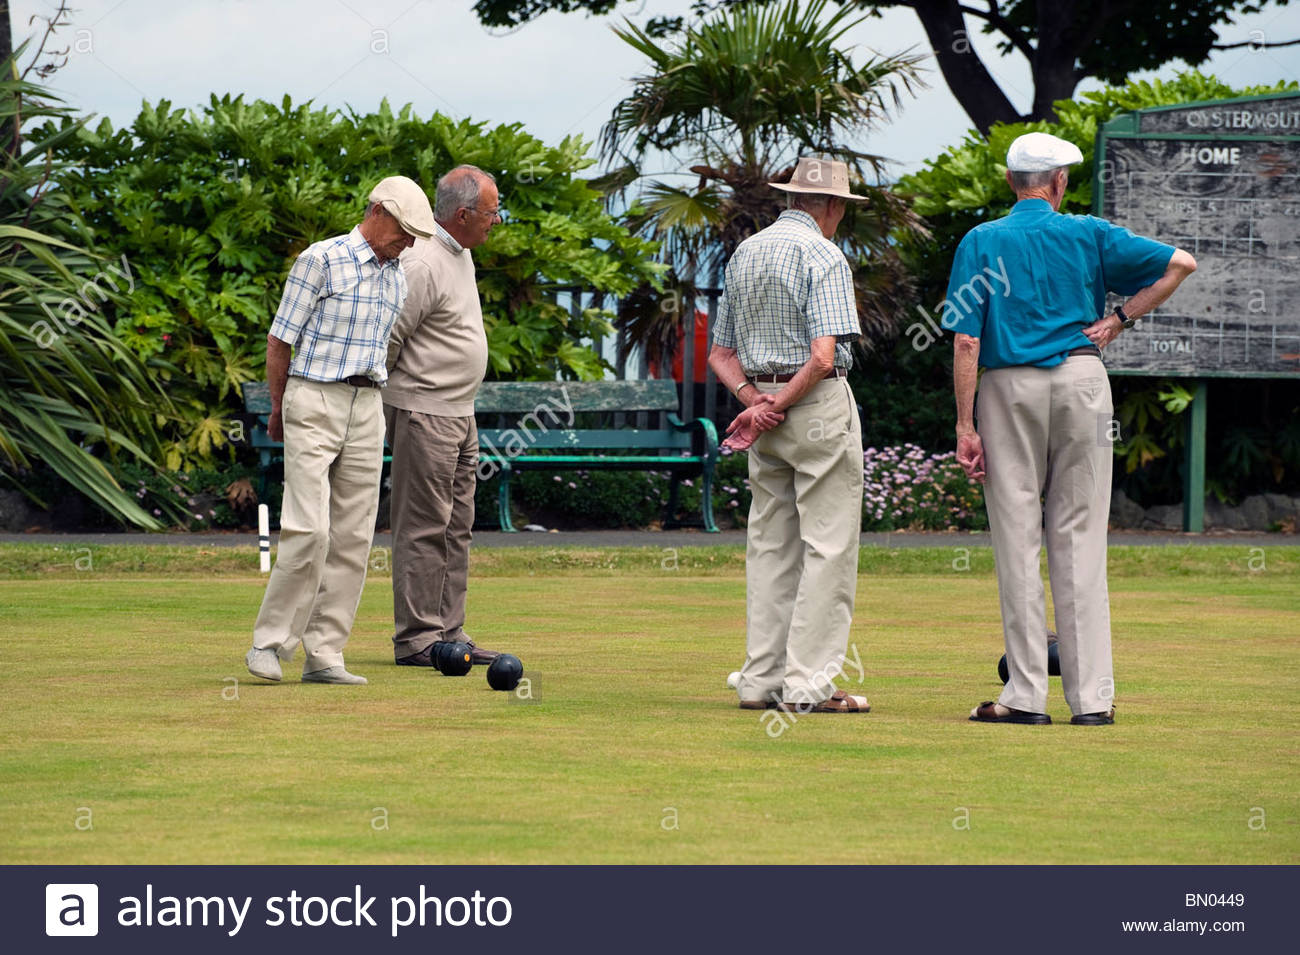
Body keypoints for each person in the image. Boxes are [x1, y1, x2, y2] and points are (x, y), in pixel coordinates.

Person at [949, 132, 1197, 725]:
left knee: (1016, 537)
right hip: (1083, 381)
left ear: (1011, 182)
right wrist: (1118, 319)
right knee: (1080, 539)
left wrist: (964, 423)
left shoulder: (982, 239)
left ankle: (1024, 697)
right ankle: (1092, 702)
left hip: (1009, 387)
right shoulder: (1089, 232)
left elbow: (965, 337)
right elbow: (1180, 264)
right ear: (1059, 183)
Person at [244, 176, 435, 685]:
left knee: (353, 536)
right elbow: (280, 339)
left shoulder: (398, 274)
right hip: (314, 395)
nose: (410, 242)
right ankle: (269, 644)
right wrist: (280, 406)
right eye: (405, 230)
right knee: (309, 528)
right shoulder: (320, 260)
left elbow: (384, 351)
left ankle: (325, 654)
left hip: (368, 402)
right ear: (377, 212)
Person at [707, 156, 869, 715]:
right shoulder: (825, 254)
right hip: (816, 408)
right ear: (830, 206)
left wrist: (756, 403)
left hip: (765, 418)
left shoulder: (745, 253)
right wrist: (781, 401)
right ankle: (807, 686)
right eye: (842, 208)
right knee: (828, 548)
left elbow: (720, 355)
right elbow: (824, 357)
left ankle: (760, 680)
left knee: (771, 545)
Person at [383, 165, 503, 667]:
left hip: (459, 411)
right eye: (493, 212)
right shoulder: (424, 261)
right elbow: (387, 338)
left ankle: (449, 632)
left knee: (456, 526)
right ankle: (417, 639)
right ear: (462, 214)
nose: (497, 221)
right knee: (422, 525)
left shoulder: (461, 254)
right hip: (423, 411)